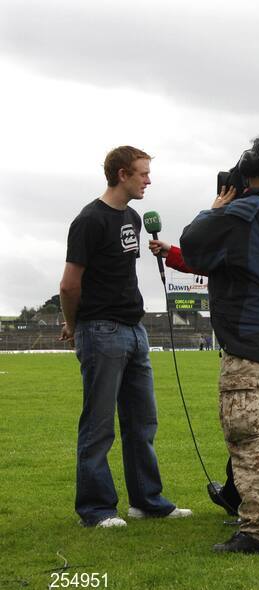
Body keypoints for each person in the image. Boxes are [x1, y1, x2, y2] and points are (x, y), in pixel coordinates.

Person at [150, 135, 259, 553]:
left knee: (250, 438)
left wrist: (217, 205)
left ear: (251, 168)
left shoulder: (244, 213)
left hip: (250, 346)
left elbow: (195, 242)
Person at [59, 145, 191, 528]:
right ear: (121, 174)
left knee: (142, 423)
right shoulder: (89, 220)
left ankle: (147, 501)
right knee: (99, 426)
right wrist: (74, 324)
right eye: (143, 173)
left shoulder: (134, 217)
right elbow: (69, 285)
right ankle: (97, 509)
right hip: (101, 331)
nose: (149, 180)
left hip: (135, 331)